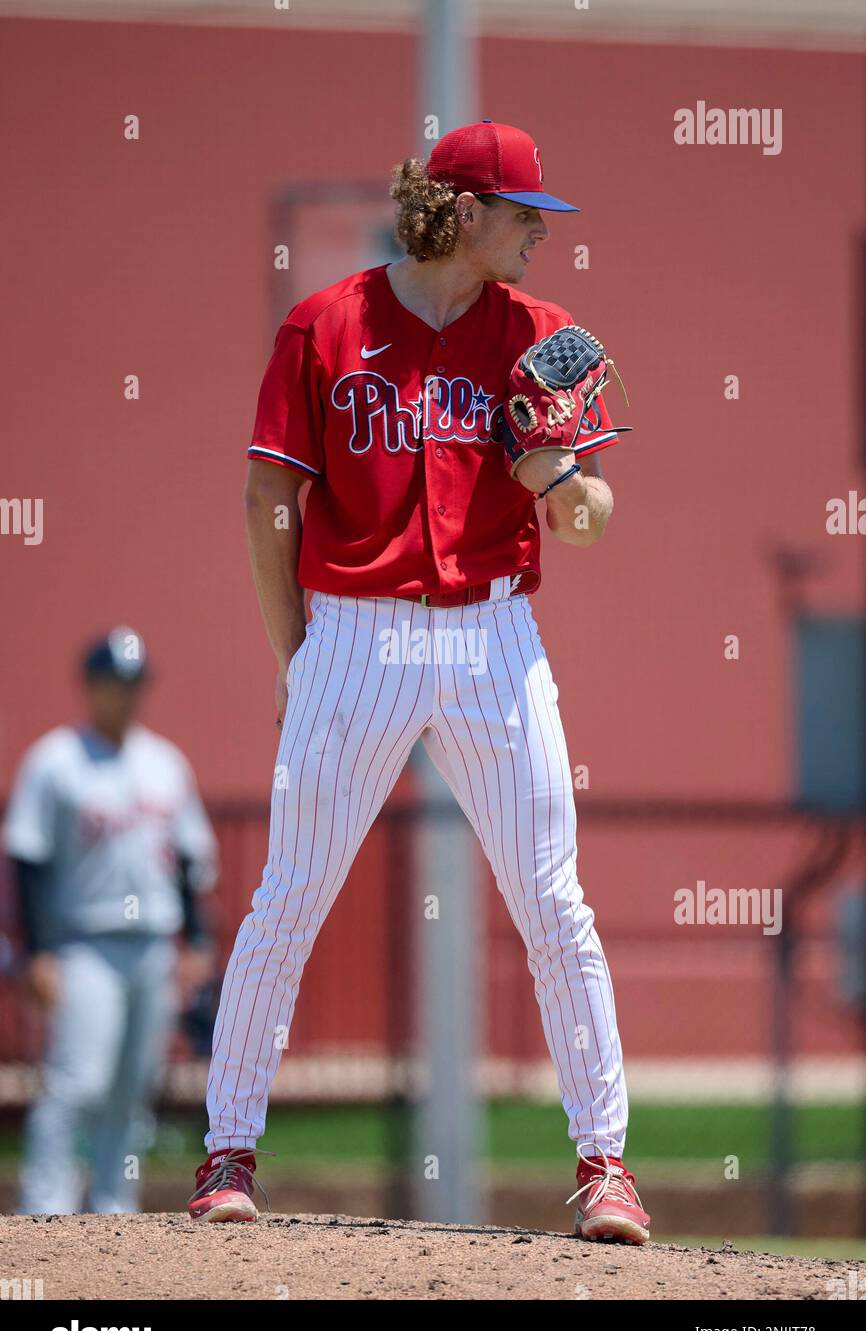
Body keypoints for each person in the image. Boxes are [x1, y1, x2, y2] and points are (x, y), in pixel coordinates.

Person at [189, 121, 650, 1243]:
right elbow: (266, 504)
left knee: (552, 900)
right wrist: (298, 651)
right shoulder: (326, 326)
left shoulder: (541, 337)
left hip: (493, 637)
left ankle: (605, 1168)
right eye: (520, 211)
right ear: (461, 211)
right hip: (352, 628)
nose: (539, 231)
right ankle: (228, 1154)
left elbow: (586, 521)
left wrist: (554, 472)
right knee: (290, 898)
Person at [3, 627, 218, 1214]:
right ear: (91, 687)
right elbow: (28, 860)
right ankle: (45, 1206)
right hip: (84, 945)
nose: (123, 695)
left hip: (152, 946)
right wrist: (39, 952)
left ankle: (111, 1209)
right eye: (112, 683)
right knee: (79, 1082)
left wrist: (195, 939)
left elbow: (188, 859)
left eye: (132, 684)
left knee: (132, 1089)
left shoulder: (164, 763)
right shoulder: (56, 760)